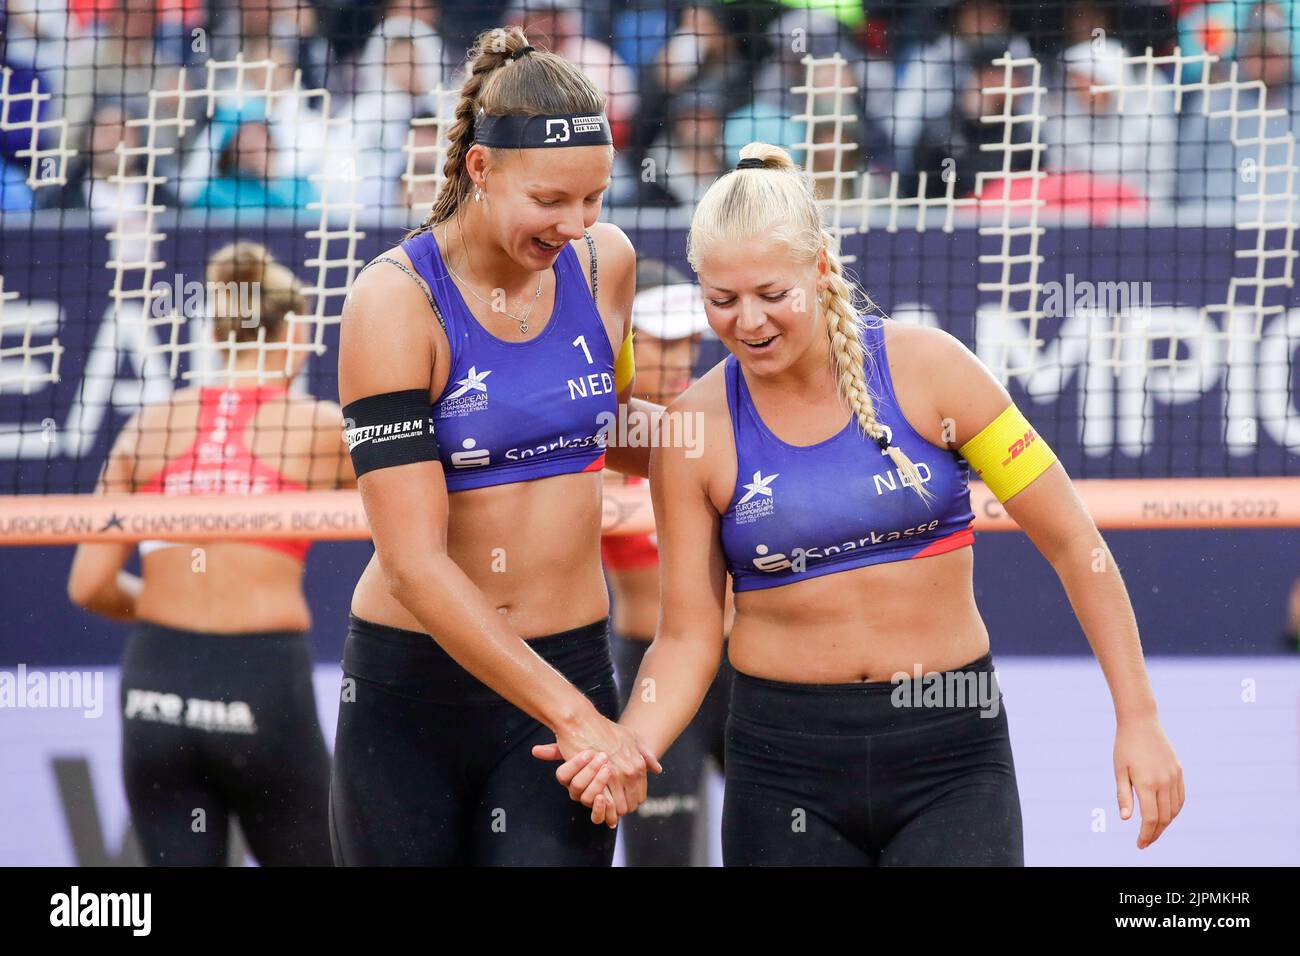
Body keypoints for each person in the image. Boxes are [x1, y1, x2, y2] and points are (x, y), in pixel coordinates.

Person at [547, 144, 1185, 865]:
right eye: (721, 300)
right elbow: (689, 638)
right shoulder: (695, 433)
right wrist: (631, 746)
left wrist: (1139, 717)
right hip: (782, 766)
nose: (747, 322)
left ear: (820, 267)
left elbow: (1077, 544)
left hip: (951, 754)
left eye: (770, 293)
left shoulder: (934, 369)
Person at [329, 26, 661, 867]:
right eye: (551, 200)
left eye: (593, 199)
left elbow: (602, 424)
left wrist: (759, 435)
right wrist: (575, 715)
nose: (575, 223)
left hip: (570, 660)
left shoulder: (603, 262)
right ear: (481, 169)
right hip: (415, 689)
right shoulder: (395, 301)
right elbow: (412, 561)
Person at [67, 241, 353, 866]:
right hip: (261, 680)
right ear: (295, 332)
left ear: (217, 332)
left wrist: (170, 602)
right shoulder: (319, 428)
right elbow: (419, 521)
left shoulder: (149, 426)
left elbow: (90, 586)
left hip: (155, 683)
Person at [603, 261, 733, 866]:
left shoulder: (723, 423)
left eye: (689, 337)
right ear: (626, 342)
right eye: (662, 339)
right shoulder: (593, 437)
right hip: (650, 671)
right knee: (663, 859)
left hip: (749, 671)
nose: (681, 352)